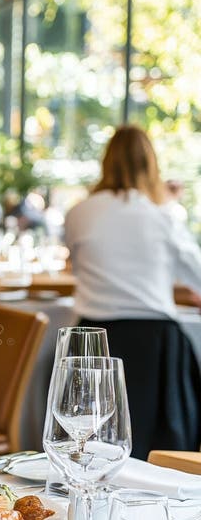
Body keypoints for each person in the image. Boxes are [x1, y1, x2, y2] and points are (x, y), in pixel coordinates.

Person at [64, 124, 201, 459]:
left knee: (87, 451)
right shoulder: (162, 217)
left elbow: (80, 267)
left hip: (92, 341)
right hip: (156, 345)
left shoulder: (78, 213)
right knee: (162, 457)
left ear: (106, 162)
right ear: (151, 165)